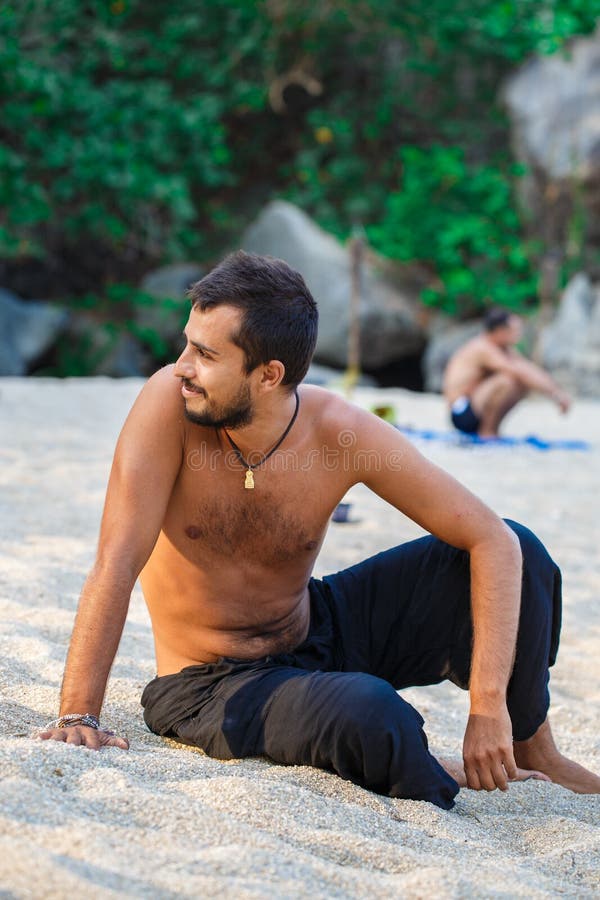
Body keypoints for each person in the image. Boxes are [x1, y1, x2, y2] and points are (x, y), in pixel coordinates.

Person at [38, 252, 600, 810]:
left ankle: (534, 748)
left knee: (521, 546)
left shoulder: (339, 432)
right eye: (187, 344)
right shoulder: (168, 406)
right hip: (210, 684)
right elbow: (115, 562)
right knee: (373, 714)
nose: (181, 365)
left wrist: (488, 706)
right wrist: (77, 714)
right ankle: (433, 766)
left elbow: (490, 539)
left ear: (269, 375)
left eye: (205, 354)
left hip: (320, 628)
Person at [443, 308, 571, 438]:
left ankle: (492, 430)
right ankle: (487, 432)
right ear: (500, 331)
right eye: (514, 331)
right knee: (507, 381)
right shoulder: (483, 348)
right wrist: (556, 395)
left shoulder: (504, 349)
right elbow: (518, 372)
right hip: (461, 412)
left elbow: (528, 369)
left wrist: (557, 393)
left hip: (475, 407)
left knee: (522, 382)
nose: (518, 335)